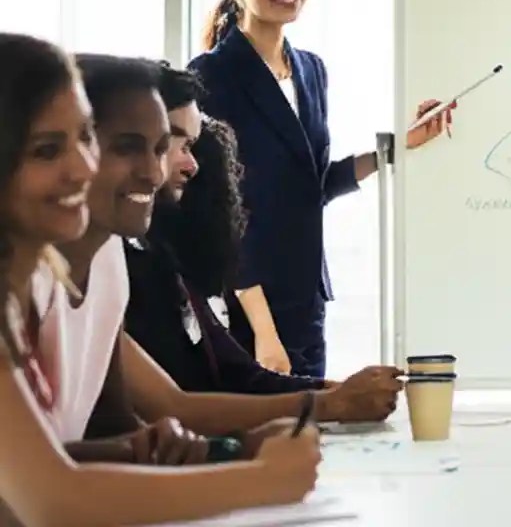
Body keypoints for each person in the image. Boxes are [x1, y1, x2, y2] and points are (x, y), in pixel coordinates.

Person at [0, 33, 319, 527]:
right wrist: (261, 479)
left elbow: (44, 462)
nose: (82, 167)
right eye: (46, 150)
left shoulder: (38, 283)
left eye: (85, 138)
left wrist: (221, 450)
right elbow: (51, 499)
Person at [67, 54, 395, 441]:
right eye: (128, 147)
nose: (157, 171)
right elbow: (166, 416)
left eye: (162, 147)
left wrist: (337, 397)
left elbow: (140, 430)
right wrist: (327, 404)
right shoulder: (83, 268)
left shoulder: (118, 261)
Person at [190, 0, 455, 377]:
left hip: (306, 303)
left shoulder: (311, 70)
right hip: (250, 312)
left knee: (315, 441)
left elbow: (314, 184)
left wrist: (398, 145)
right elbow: (222, 212)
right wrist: (264, 334)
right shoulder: (213, 75)